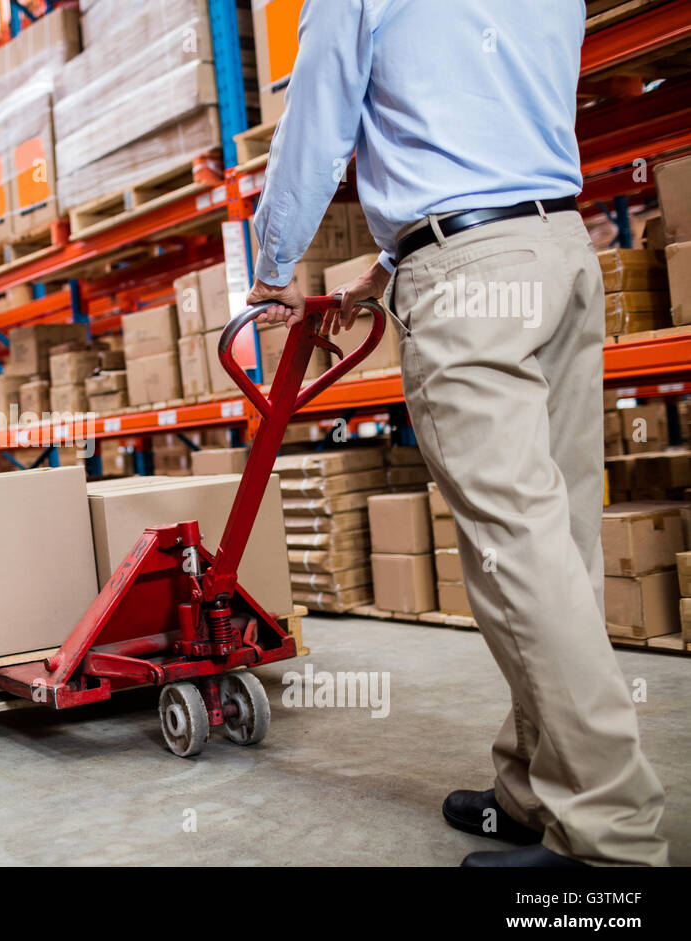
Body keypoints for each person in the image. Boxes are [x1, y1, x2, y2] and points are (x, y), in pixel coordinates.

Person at [247, 0, 667, 866]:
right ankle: (533, 789)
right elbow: (495, 117)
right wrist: (394, 261)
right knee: (560, 549)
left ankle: (611, 845)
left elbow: (317, 121)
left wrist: (275, 261)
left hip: (471, 285)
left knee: (520, 556)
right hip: (557, 253)